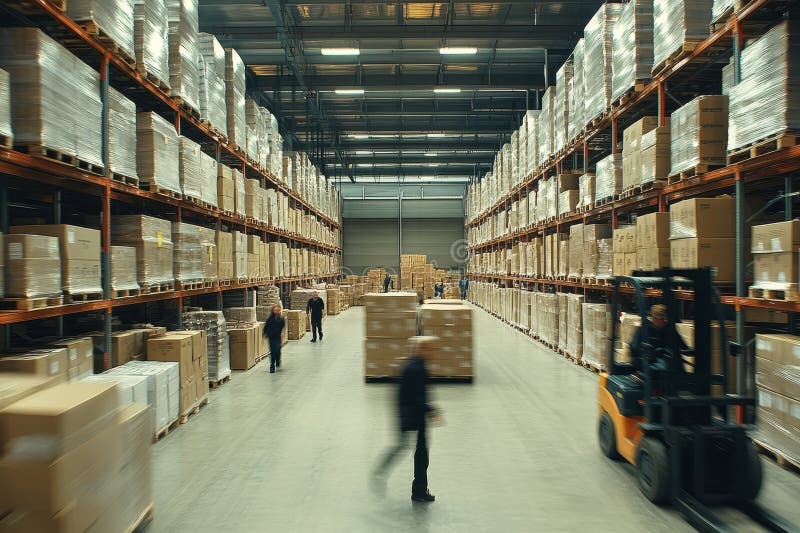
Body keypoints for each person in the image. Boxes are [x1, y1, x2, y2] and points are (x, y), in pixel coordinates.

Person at [373, 336, 442, 503]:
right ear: (422, 350)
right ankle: (417, 490)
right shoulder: (416, 368)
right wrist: (432, 411)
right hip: (414, 416)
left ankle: (418, 489)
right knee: (419, 455)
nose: (434, 353)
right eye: (431, 349)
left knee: (414, 452)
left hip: (410, 414)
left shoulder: (413, 364)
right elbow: (417, 396)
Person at [629, 304, 688, 372]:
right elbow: (634, 348)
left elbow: (683, 347)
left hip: (668, 367)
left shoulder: (669, 330)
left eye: (666, 318)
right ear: (654, 318)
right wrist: (650, 353)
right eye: (662, 318)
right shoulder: (644, 330)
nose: (665, 321)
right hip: (649, 366)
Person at [263, 304, 285, 374]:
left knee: (278, 350)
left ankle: (278, 360)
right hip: (271, 337)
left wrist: (282, 334)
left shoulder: (281, 319)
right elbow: (266, 326)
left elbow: (283, 327)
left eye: (278, 310)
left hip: (278, 337)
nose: (276, 311)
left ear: (279, 311)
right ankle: (272, 366)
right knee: (272, 352)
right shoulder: (270, 318)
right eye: (275, 310)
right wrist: (265, 333)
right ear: (273, 310)